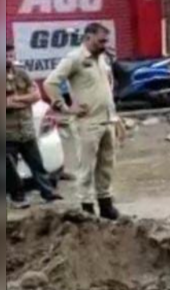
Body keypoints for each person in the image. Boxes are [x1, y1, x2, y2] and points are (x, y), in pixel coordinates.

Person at [44, 23, 120, 219]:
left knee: (106, 165)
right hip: (87, 122)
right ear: (88, 37)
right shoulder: (75, 58)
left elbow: (106, 88)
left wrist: (115, 117)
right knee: (86, 168)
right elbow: (50, 83)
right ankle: (86, 207)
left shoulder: (102, 58)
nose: (104, 44)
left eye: (106, 41)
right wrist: (65, 107)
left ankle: (105, 204)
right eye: (100, 40)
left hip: (107, 121)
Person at [6, 43, 62, 209]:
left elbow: (36, 95)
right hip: (7, 133)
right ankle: (17, 198)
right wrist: (24, 99)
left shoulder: (22, 74)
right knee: (10, 169)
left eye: (12, 55)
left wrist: (15, 99)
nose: (10, 59)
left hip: (27, 130)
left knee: (37, 164)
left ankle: (48, 192)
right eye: (6, 56)